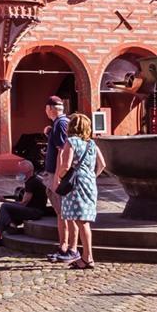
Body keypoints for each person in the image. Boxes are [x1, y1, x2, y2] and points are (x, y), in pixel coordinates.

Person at [54, 112, 105, 270]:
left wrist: (60, 176)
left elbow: (66, 165)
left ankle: (88, 257)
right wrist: (91, 176)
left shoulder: (71, 142)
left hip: (76, 184)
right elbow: (102, 164)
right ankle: (86, 256)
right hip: (89, 183)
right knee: (83, 221)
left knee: (81, 222)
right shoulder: (91, 144)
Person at [41, 96, 76, 262]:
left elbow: (63, 151)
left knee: (64, 213)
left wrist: (57, 177)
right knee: (61, 213)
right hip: (55, 174)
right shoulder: (60, 123)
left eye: (46, 108)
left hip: (57, 175)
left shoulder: (61, 123)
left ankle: (69, 248)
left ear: (50, 108)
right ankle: (64, 246)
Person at [0, 172, 48, 245]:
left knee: (5, 206)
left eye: (21, 170)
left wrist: (5, 200)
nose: (18, 172)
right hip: (34, 209)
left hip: (34, 211)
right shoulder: (35, 180)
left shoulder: (31, 183)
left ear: (27, 171)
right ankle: (9, 226)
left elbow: (23, 203)